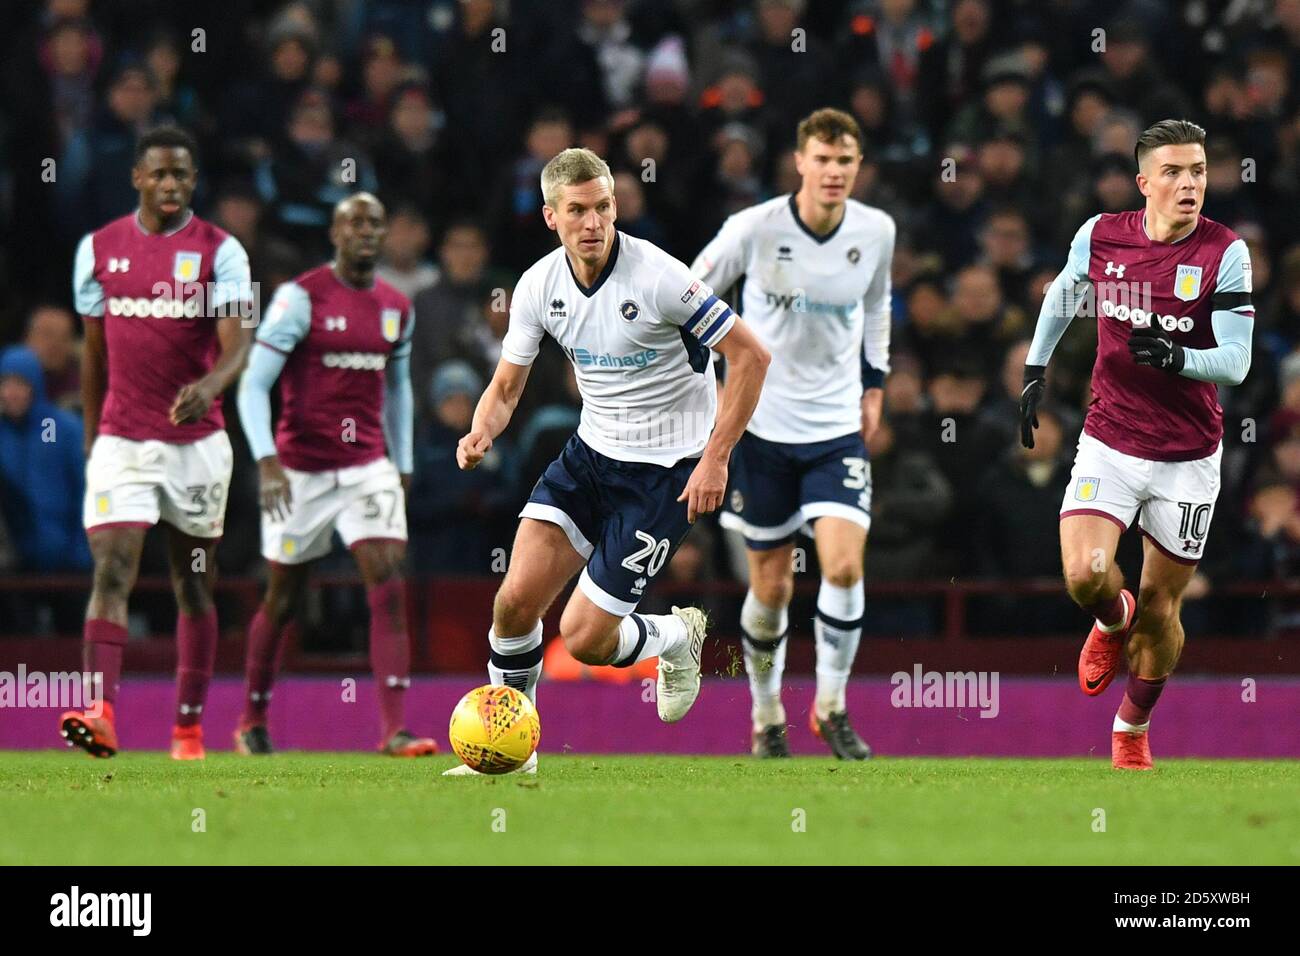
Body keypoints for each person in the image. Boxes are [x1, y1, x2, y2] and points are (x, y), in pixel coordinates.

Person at [448, 147, 770, 775]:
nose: (592, 222)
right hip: (590, 457)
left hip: (667, 472)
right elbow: (508, 386)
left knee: (586, 637)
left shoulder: (658, 277)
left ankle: (677, 635)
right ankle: (513, 754)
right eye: (577, 211)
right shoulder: (538, 285)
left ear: (616, 207)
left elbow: (751, 356)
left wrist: (717, 458)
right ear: (551, 217)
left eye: (602, 208)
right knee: (514, 605)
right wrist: (479, 431)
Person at [1021, 119, 1254, 770]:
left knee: (1162, 609)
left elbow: (1236, 362)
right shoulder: (1101, 236)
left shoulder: (1225, 251)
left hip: (1188, 458)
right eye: (1175, 172)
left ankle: (1131, 727)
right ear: (1144, 182)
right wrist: (1035, 368)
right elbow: (1065, 292)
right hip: (1111, 440)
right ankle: (1108, 620)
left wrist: (1178, 355)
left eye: (1200, 171)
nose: (1190, 184)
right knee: (1083, 576)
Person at [692, 108, 894, 759]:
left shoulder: (876, 231)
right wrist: (707, 385)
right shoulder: (755, 228)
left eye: (845, 161)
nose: (834, 172)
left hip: (835, 428)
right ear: (800, 163)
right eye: (823, 159)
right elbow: (689, 293)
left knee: (842, 564)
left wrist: (875, 384)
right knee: (772, 586)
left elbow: (876, 306)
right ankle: (767, 713)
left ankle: (831, 705)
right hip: (761, 432)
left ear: (856, 167)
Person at [59, 125, 253, 760]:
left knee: (192, 582)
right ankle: (101, 711)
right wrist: (93, 437)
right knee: (112, 568)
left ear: (192, 182)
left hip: (196, 445)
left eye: (182, 175)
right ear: (137, 178)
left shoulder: (223, 252)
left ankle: (188, 728)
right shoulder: (98, 250)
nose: (170, 185)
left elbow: (238, 344)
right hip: (123, 442)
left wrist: (212, 384)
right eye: (159, 174)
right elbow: (93, 352)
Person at [235, 193, 437, 758]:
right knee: (284, 596)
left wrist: (402, 463)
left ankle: (394, 729)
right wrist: (266, 461)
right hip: (301, 470)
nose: (366, 231)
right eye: (355, 222)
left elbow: (397, 387)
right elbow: (253, 383)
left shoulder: (398, 305)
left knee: (388, 580)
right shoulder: (301, 299)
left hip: (366, 466)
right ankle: (251, 718)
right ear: (335, 233)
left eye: (375, 222)